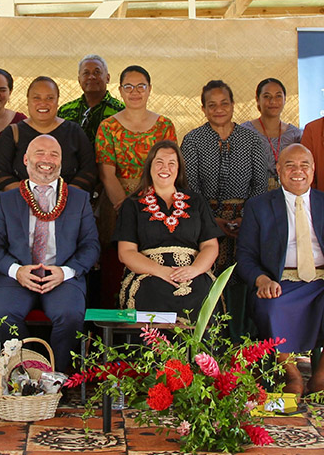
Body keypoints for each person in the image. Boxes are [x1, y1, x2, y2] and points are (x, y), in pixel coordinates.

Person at [237, 144, 324, 397]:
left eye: (304, 166)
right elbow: (245, 256)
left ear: (313, 170)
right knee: (270, 307)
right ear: (278, 169)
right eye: (290, 165)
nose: (297, 171)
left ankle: (320, 378)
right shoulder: (258, 206)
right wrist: (262, 280)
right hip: (281, 280)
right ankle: (293, 376)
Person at [0, 135, 100, 372]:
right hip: (16, 277)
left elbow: (91, 246)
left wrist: (65, 272)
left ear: (62, 162)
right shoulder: (6, 200)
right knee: (2, 315)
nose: (47, 159)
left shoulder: (79, 199)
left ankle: (55, 376)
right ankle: (28, 371)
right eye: (40, 153)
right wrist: (16, 271)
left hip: (62, 276)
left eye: (54, 154)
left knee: (70, 315)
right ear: (25, 160)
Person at [95, 65, 176, 307]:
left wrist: (149, 205)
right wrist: (127, 208)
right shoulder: (108, 127)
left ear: (149, 89)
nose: (135, 92)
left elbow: (168, 168)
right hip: (116, 204)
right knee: (116, 264)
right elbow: (106, 173)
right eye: (128, 87)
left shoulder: (164, 125)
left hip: (157, 203)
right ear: (120, 90)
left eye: (141, 86)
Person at [115, 140, 222, 320]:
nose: (165, 168)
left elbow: (210, 246)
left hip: (192, 273)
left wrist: (194, 269)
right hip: (149, 275)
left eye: (172, 163)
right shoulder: (132, 204)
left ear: (179, 168)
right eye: (159, 162)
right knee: (153, 291)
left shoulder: (196, 201)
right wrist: (161, 271)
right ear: (149, 166)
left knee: (202, 291)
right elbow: (126, 252)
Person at [181, 80, 271, 273]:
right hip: (202, 220)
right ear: (204, 109)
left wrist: (244, 217)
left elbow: (260, 184)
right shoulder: (192, 140)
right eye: (212, 105)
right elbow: (189, 186)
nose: (219, 109)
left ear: (233, 105)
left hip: (246, 220)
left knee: (244, 272)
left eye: (224, 103)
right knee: (208, 275)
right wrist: (212, 220)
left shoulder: (252, 140)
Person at [0, 76, 97, 192]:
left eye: (49, 98)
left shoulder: (74, 132)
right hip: (19, 200)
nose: (43, 103)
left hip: (68, 200)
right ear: (28, 101)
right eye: (36, 98)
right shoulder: (13, 133)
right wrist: (28, 196)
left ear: (57, 101)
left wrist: (65, 196)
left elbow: (89, 169)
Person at [58, 54, 125, 144]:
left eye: (97, 72)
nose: (91, 77)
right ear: (79, 80)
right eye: (86, 73)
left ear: (107, 78)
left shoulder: (121, 111)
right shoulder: (65, 111)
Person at [242, 78, 302, 173]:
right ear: (257, 100)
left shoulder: (295, 135)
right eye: (267, 96)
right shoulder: (243, 132)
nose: (273, 101)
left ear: (285, 99)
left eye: (278, 96)